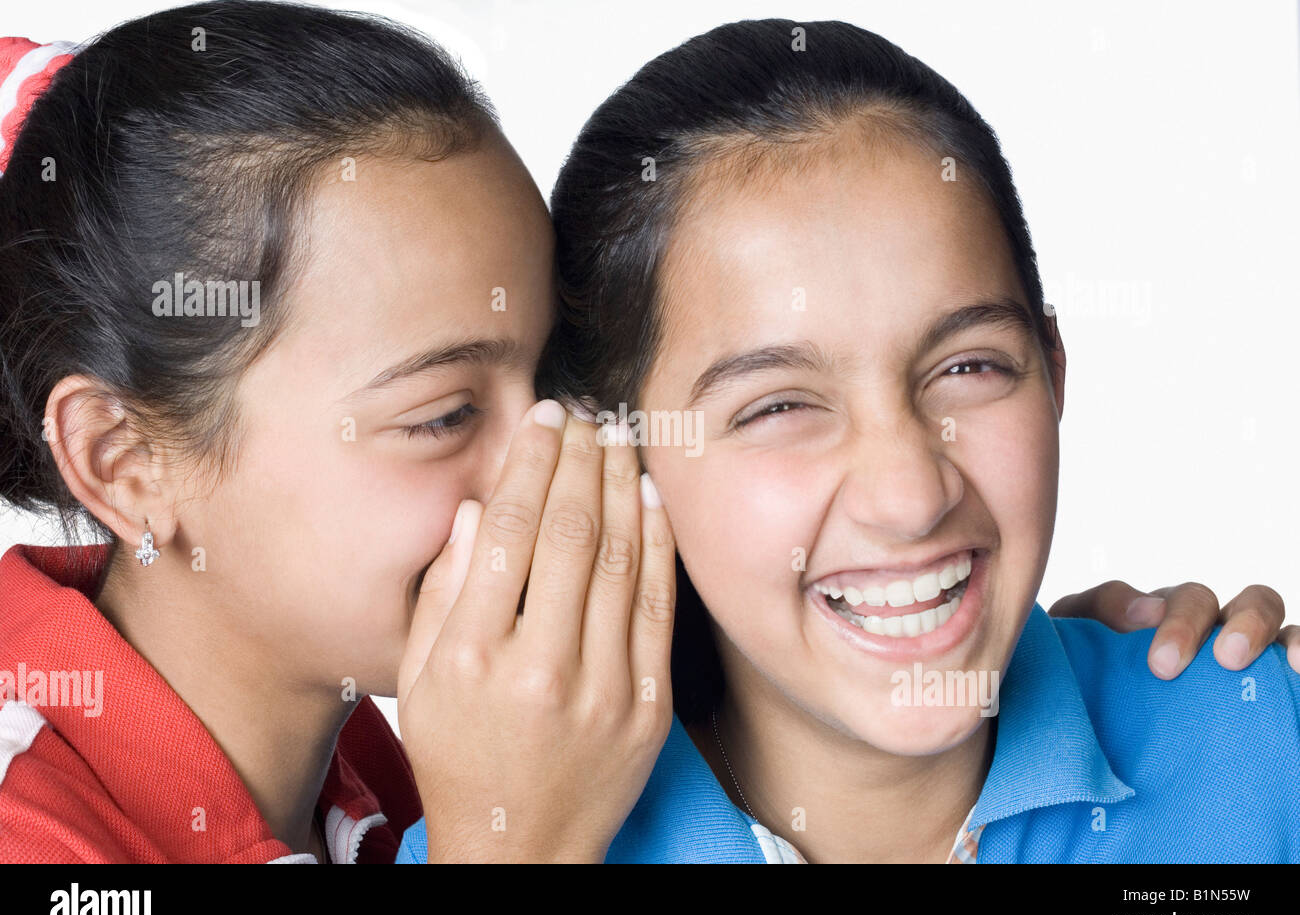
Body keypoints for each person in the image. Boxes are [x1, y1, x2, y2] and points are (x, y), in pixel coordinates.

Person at [0, 4, 1290, 864]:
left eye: (557, 381)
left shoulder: (391, 771)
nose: (572, 457)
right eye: (445, 412)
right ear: (123, 461)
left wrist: (1164, 688)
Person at [401, 18, 1300, 863]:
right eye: (779, 407)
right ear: (616, 455)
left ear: (1055, 368)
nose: (911, 495)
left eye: (971, 367)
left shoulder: (1267, 741)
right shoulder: (488, 844)